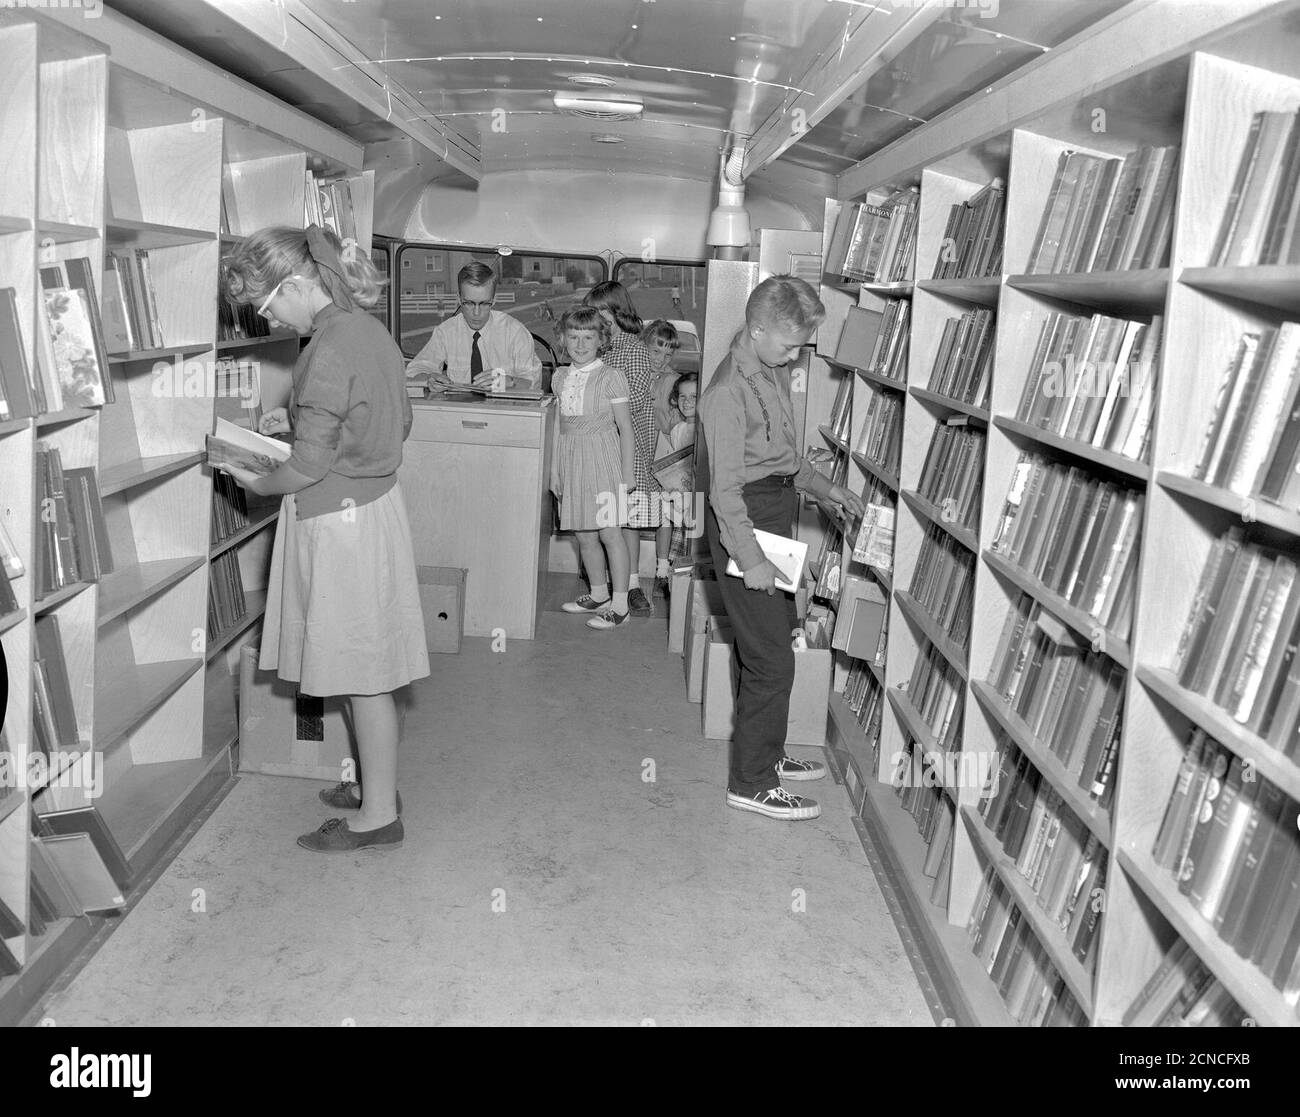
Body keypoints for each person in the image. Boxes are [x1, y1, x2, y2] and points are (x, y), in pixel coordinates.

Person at [218, 225, 430, 852]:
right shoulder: (365, 330)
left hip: (341, 521)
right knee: (354, 657)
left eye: (266, 307)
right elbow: (394, 416)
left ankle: (378, 816)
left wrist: (256, 482)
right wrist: (305, 421)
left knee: (361, 671)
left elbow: (306, 468)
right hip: (372, 506)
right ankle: (375, 784)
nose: (270, 319)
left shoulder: (327, 346)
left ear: (292, 285)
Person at [699, 275, 865, 822]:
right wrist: (751, 561)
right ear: (756, 329)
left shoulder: (768, 370)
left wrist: (826, 488)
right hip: (744, 522)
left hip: (771, 511)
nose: (796, 357)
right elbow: (724, 492)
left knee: (762, 646)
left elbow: (782, 458)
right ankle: (751, 780)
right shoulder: (726, 392)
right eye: (790, 345)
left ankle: (763, 755)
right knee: (773, 659)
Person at [550, 306, 637, 630]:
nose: (581, 343)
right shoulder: (559, 377)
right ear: (563, 339)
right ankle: (598, 593)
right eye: (573, 337)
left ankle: (620, 603)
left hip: (603, 459)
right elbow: (559, 426)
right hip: (572, 460)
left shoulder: (611, 377)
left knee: (610, 533)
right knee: (584, 534)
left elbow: (625, 428)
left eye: (588, 337)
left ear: (602, 340)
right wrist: (554, 471)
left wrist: (627, 475)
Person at [583, 281, 657, 616]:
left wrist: (603, 404)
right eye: (594, 311)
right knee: (608, 519)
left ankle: (633, 586)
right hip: (600, 446)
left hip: (628, 444)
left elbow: (638, 399)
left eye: (604, 310)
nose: (599, 317)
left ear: (619, 311)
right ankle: (614, 587)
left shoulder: (635, 348)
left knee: (629, 523)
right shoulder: (600, 348)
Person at [406, 261, 542, 391]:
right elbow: (413, 371)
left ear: (494, 300)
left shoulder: (515, 333)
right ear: (459, 299)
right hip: (461, 409)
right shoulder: (446, 332)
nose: (476, 313)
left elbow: (533, 383)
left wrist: (510, 382)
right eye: (469, 303)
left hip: (505, 409)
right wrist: (429, 378)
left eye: (484, 303)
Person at [652, 371, 697, 599]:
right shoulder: (678, 429)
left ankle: (688, 590)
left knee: (693, 542)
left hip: (696, 498)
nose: (687, 402)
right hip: (682, 496)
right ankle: (676, 584)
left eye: (693, 396)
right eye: (681, 396)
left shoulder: (703, 429)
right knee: (679, 538)